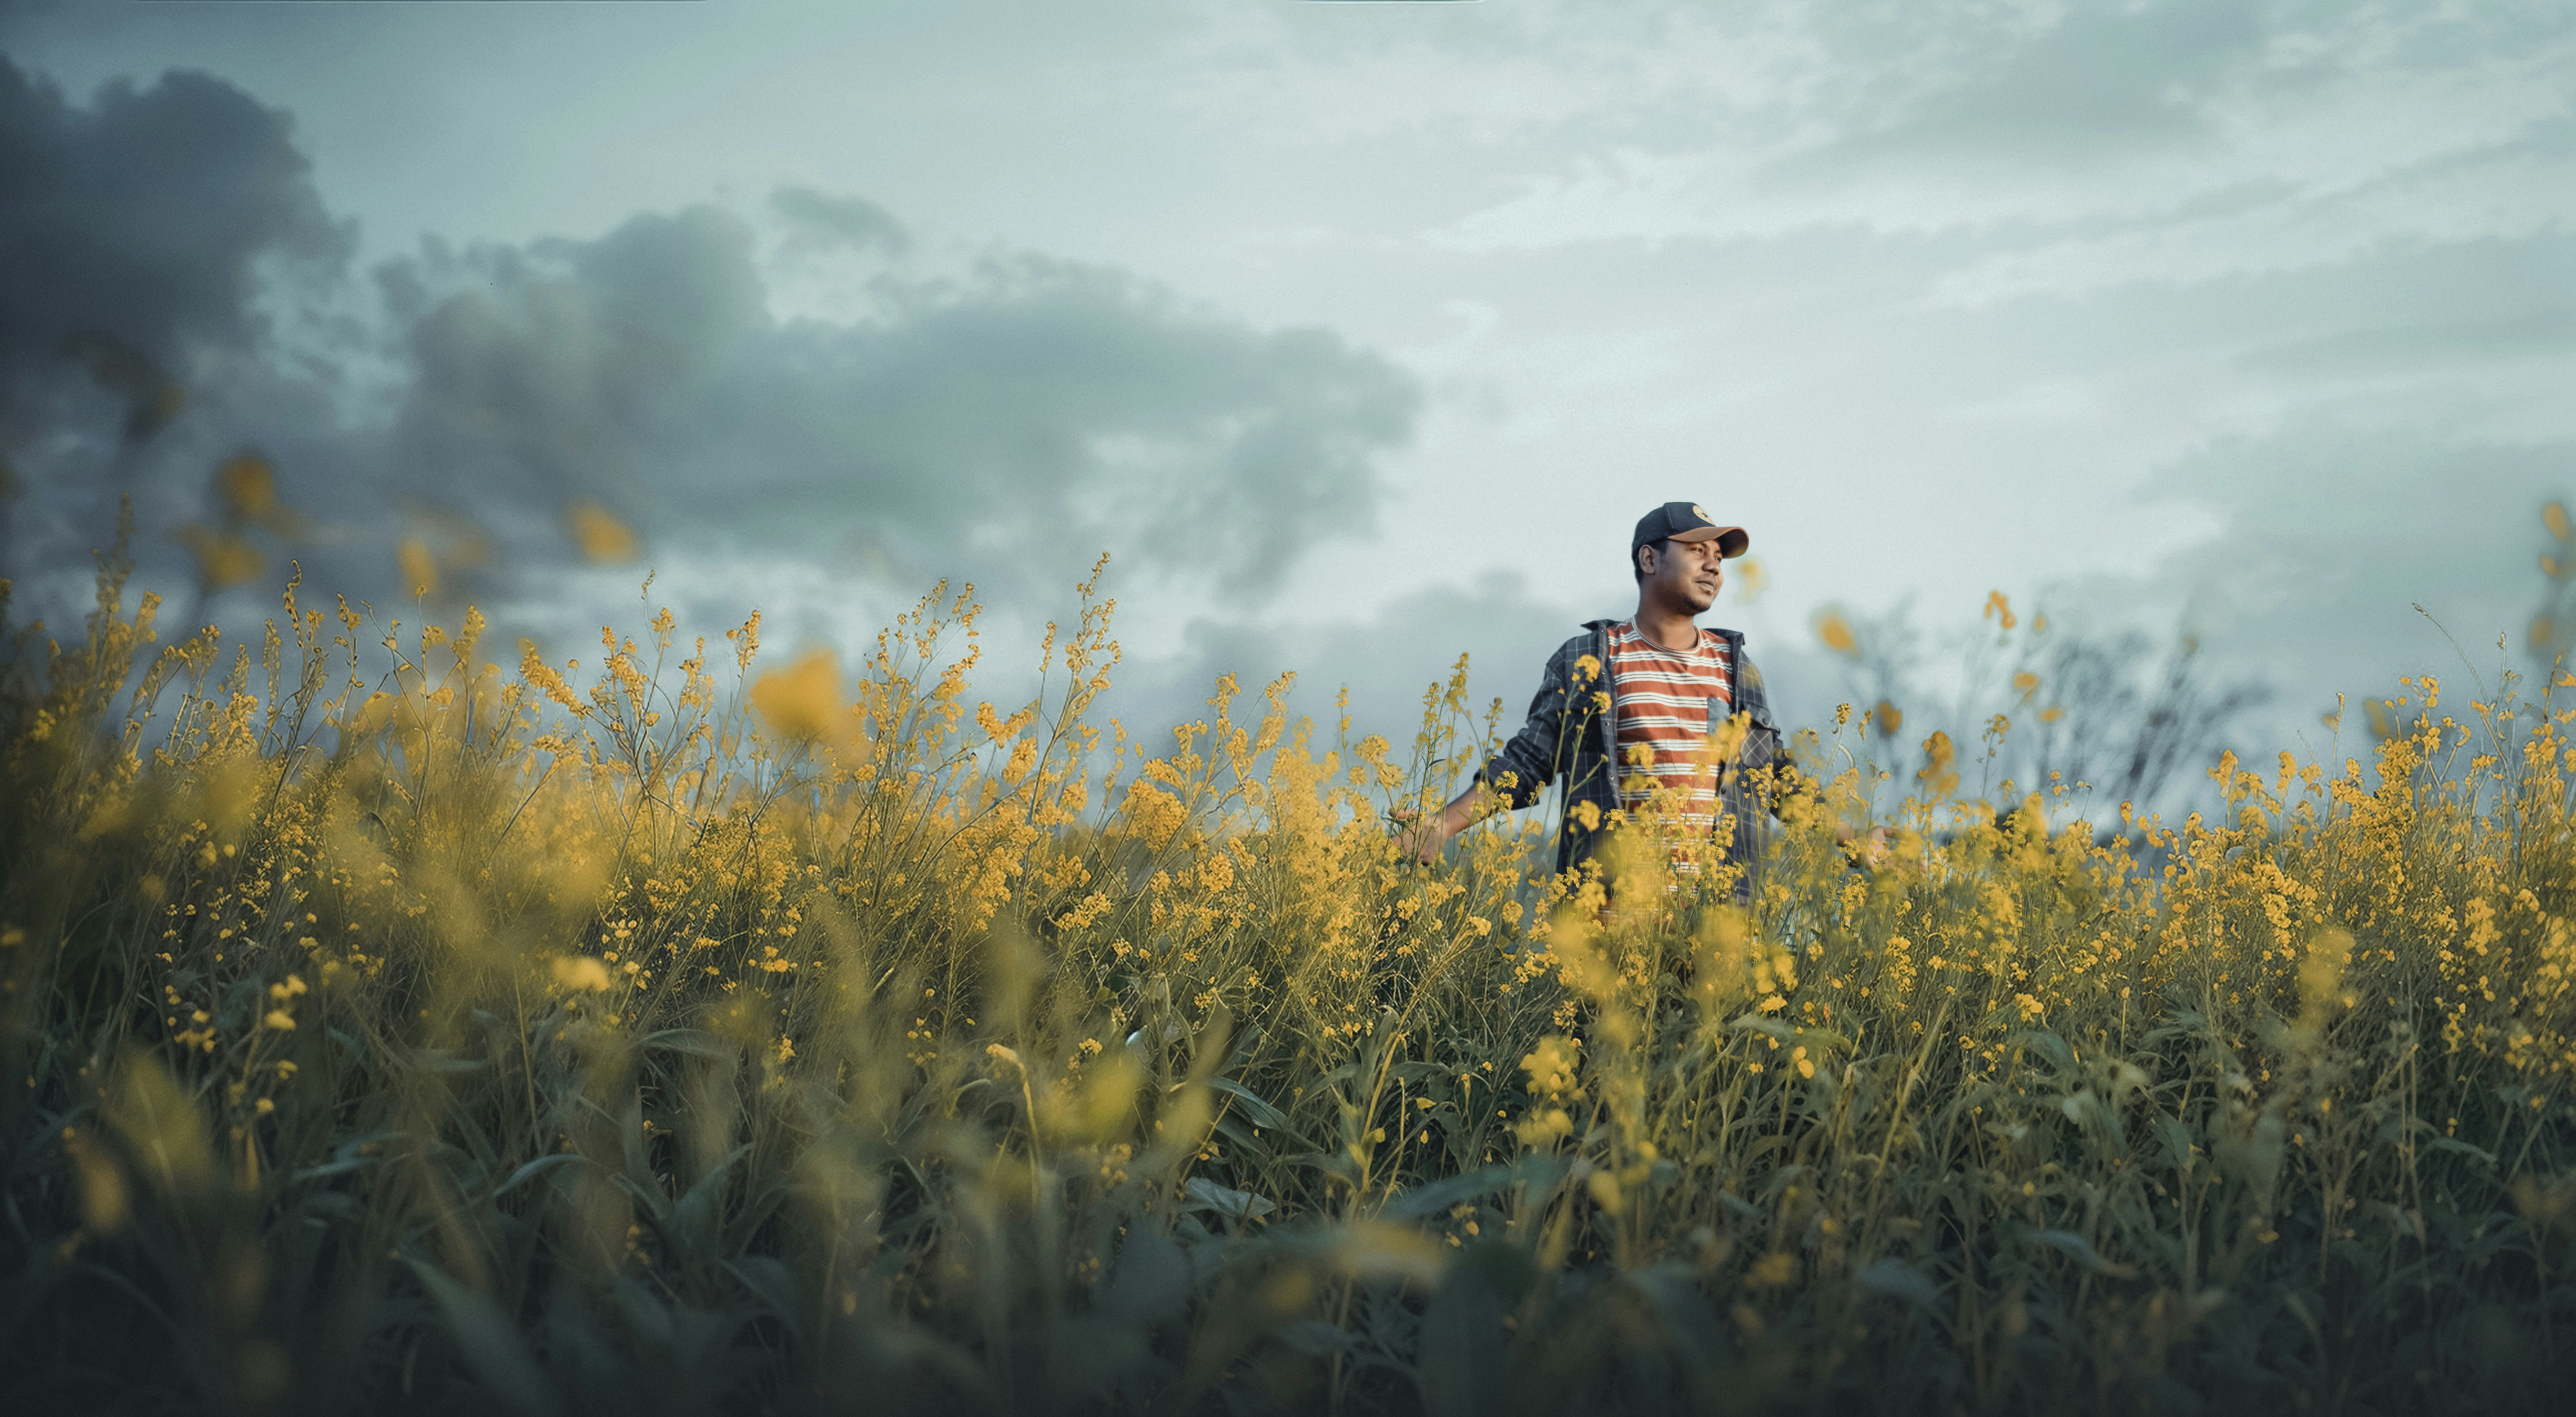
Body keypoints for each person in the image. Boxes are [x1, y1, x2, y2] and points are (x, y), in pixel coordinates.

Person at [1392, 501, 1811, 901]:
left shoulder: (1737, 668)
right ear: (1649, 560)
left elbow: (1771, 774)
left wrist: (1851, 837)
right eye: (1696, 551)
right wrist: (1442, 825)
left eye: (1718, 557)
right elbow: (1528, 763)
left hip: (1715, 925)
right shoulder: (1590, 660)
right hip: (1609, 923)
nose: (1713, 566)